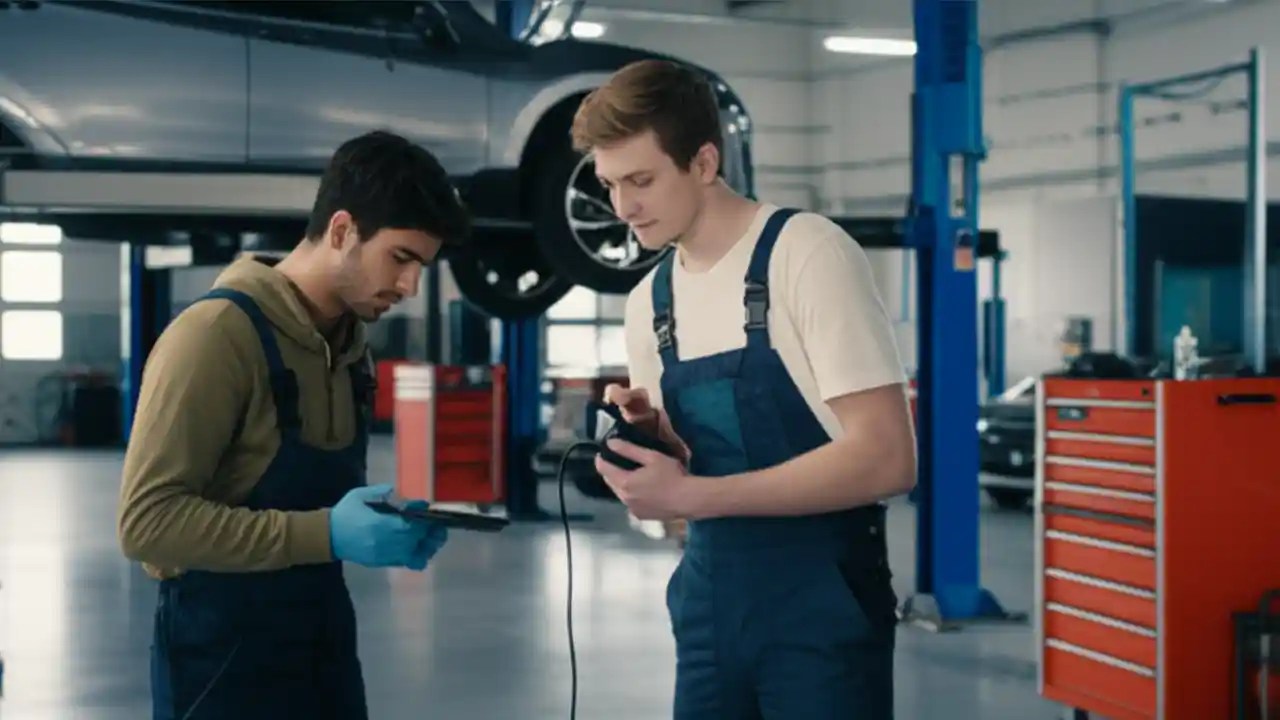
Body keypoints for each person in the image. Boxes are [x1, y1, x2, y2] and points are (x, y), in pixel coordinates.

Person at [573, 60, 918, 718]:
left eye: (641, 180)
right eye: (609, 184)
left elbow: (887, 458)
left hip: (822, 609)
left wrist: (695, 494)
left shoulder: (806, 254)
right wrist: (652, 448)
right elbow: (680, 501)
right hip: (708, 605)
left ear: (704, 162)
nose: (621, 207)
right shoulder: (650, 301)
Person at [117, 130, 470, 720]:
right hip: (220, 670)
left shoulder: (353, 349)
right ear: (340, 231)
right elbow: (147, 524)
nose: (410, 287)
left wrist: (382, 523)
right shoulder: (214, 338)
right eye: (401, 258)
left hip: (322, 651)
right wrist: (328, 535)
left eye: (422, 267)